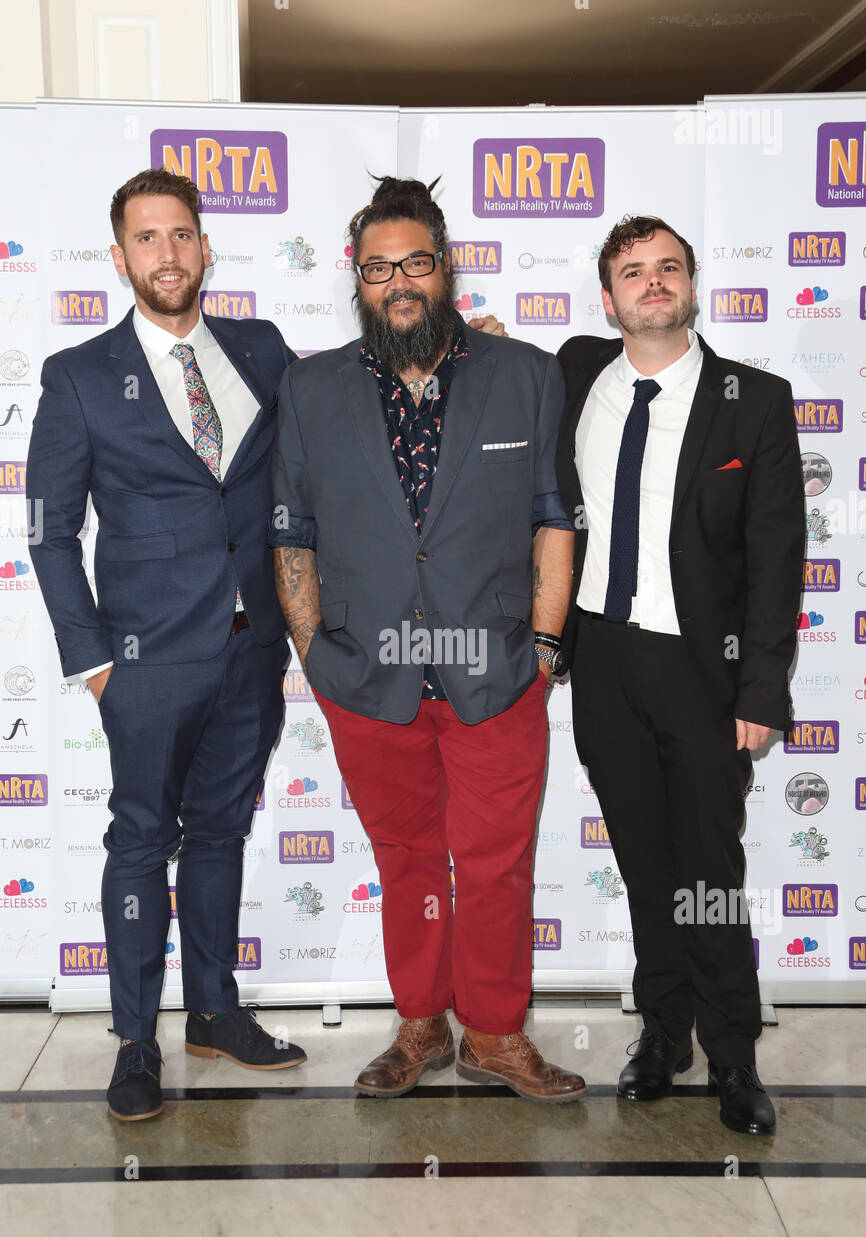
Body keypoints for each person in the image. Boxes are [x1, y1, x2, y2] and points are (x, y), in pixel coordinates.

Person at [270, 176, 585, 1102]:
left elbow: (553, 521)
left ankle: (495, 1032)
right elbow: (293, 529)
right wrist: (315, 656)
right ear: (355, 278)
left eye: (414, 262)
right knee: (406, 860)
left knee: (495, 863)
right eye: (377, 267)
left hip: (495, 675)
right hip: (368, 681)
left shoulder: (524, 374)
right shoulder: (311, 385)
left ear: (445, 267)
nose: (397, 281)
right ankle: (420, 1024)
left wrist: (546, 648)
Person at [26, 168, 306, 1121]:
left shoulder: (263, 349)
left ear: (206, 247)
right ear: (119, 257)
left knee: (222, 828)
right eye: (146, 239)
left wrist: (458, 354)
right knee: (144, 840)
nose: (168, 254)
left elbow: (335, 424)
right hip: (143, 658)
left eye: (182, 235)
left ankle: (215, 1011)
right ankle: (138, 1038)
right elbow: (48, 529)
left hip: (252, 645)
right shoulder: (78, 375)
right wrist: (92, 658)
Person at [555, 214, 803, 1135]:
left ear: (692, 285)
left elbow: (780, 557)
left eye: (667, 268)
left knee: (709, 869)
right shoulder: (576, 373)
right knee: (644, 864)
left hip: (705, 668)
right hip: (603, 655)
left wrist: (761, 690)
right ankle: (663, 1035)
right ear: (609, 296)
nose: (651, 283)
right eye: (632, 271)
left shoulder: (755, 400)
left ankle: (733, 1055)